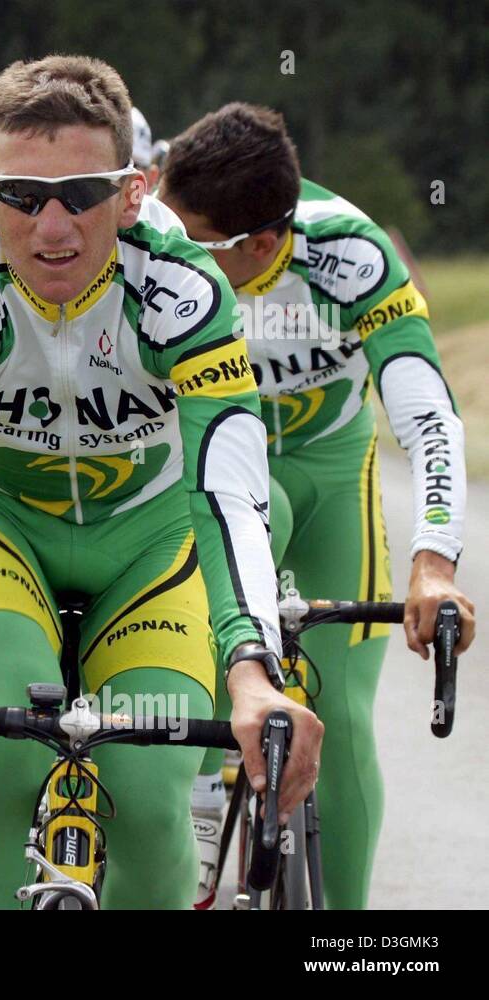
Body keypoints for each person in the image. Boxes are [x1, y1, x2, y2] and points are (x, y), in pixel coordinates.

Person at [0, 54, 322, 909]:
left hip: (148, 546)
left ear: (133, 194)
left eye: (84, 194)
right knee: (6, 748)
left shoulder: (181, 287)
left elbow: (230, 491)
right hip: (1, 536)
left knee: (147, 792)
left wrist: (252, 666)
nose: (53, 225)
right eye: (23, 196)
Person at [157, 102, 474, 908]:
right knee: (200, 673)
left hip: (329, 468)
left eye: (193, 241)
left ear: (260, 244)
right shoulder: (160, 241)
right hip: (211, 469)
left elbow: (429, 416)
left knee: (344, 716)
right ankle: (191, 819)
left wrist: (433, 561)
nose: (170, 250)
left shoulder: (350, 252)